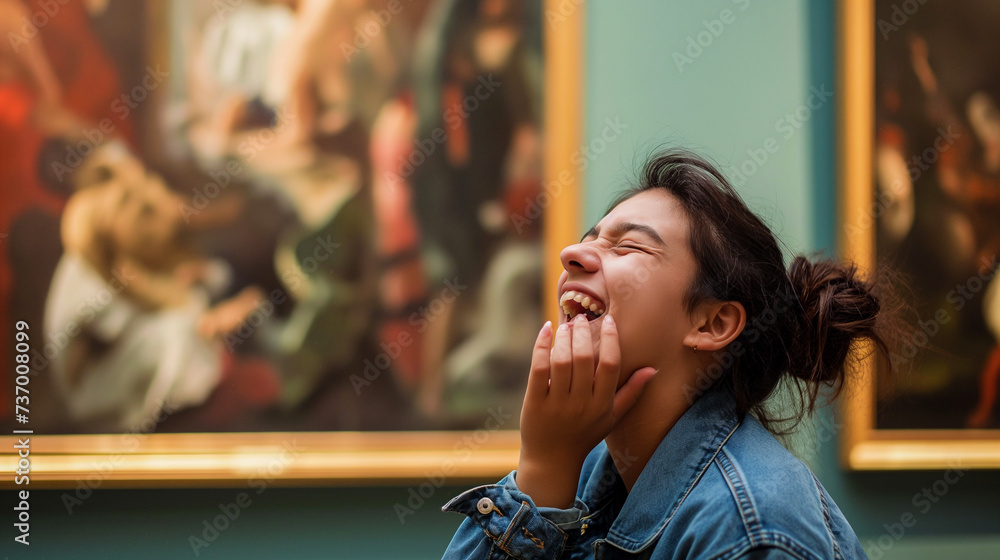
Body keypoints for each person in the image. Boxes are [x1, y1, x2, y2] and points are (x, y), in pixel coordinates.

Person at [441, 149, 893, 559]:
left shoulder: (752, 532)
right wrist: (542, 472)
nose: (571, 253)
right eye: (590, 238)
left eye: (629, 246)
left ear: (712, 324)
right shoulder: (587, 469)